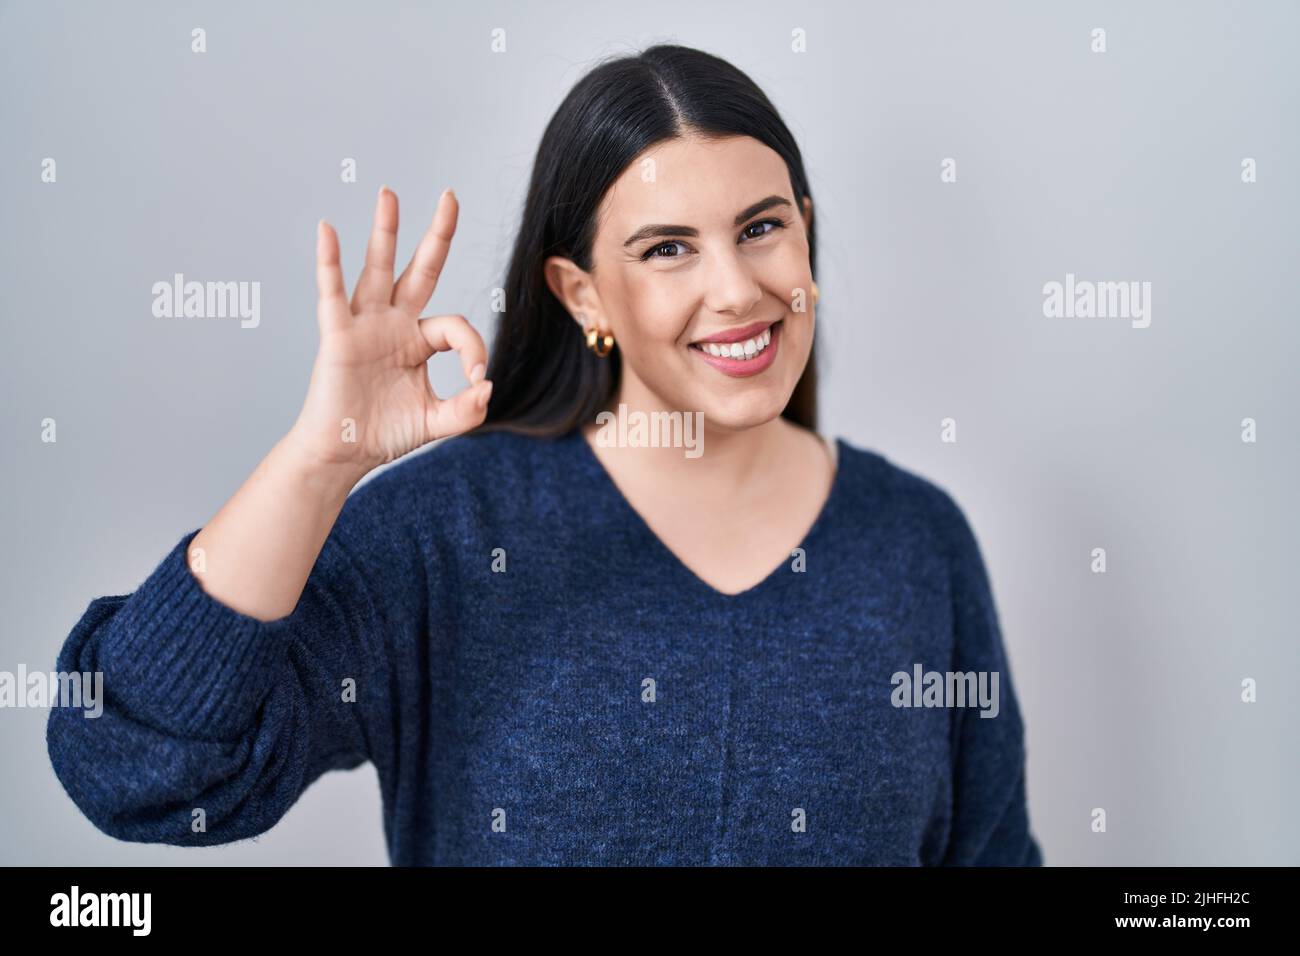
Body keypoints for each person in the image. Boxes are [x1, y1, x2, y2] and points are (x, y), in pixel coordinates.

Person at [46, 44, 1042, 866]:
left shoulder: (916, 538)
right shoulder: (449, 531)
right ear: (581, 296)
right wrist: (315, 463)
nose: (738, 289)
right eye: (667, 249)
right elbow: (138, 763)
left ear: (805, 237)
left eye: (761, 228)